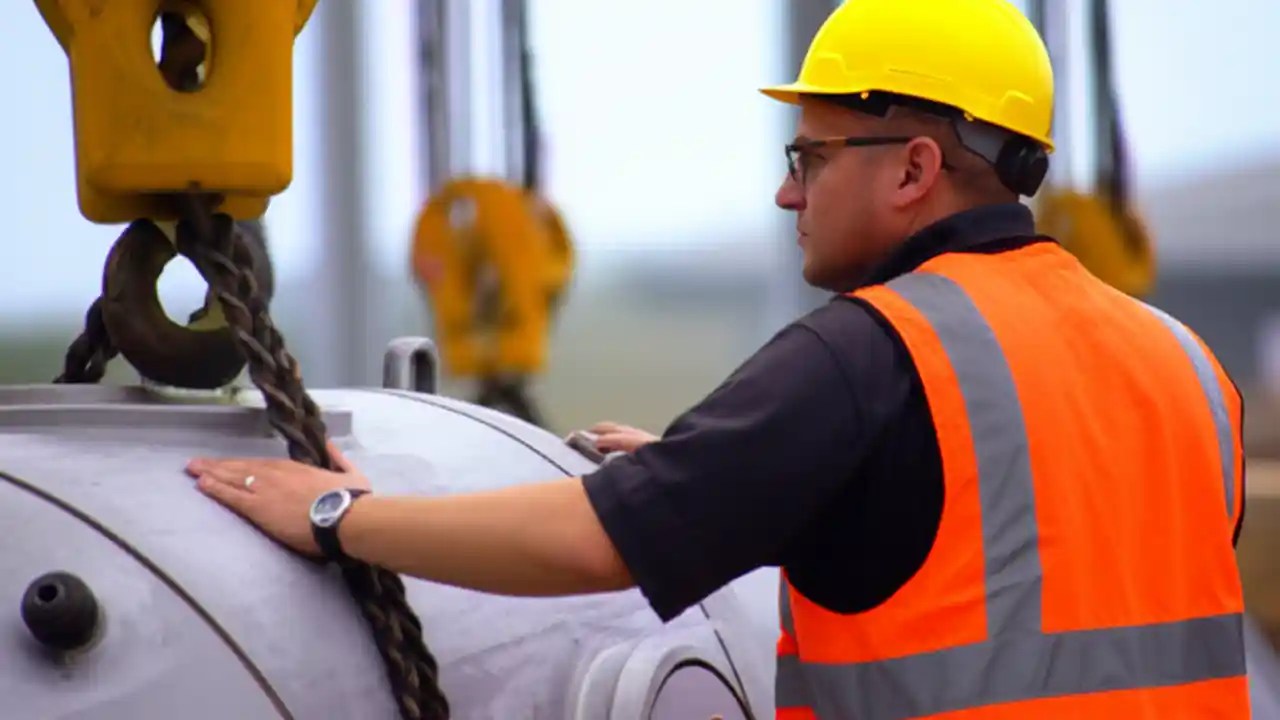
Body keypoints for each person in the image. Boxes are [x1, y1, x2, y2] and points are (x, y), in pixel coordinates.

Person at [185, 0, 1250, 717]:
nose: (788, 192)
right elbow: (1024, 566)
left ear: (915, 166)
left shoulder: (868, 356)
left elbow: (598, 542)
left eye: (809, 157)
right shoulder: (1185, 365)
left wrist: (341, 519)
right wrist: (775, 481)